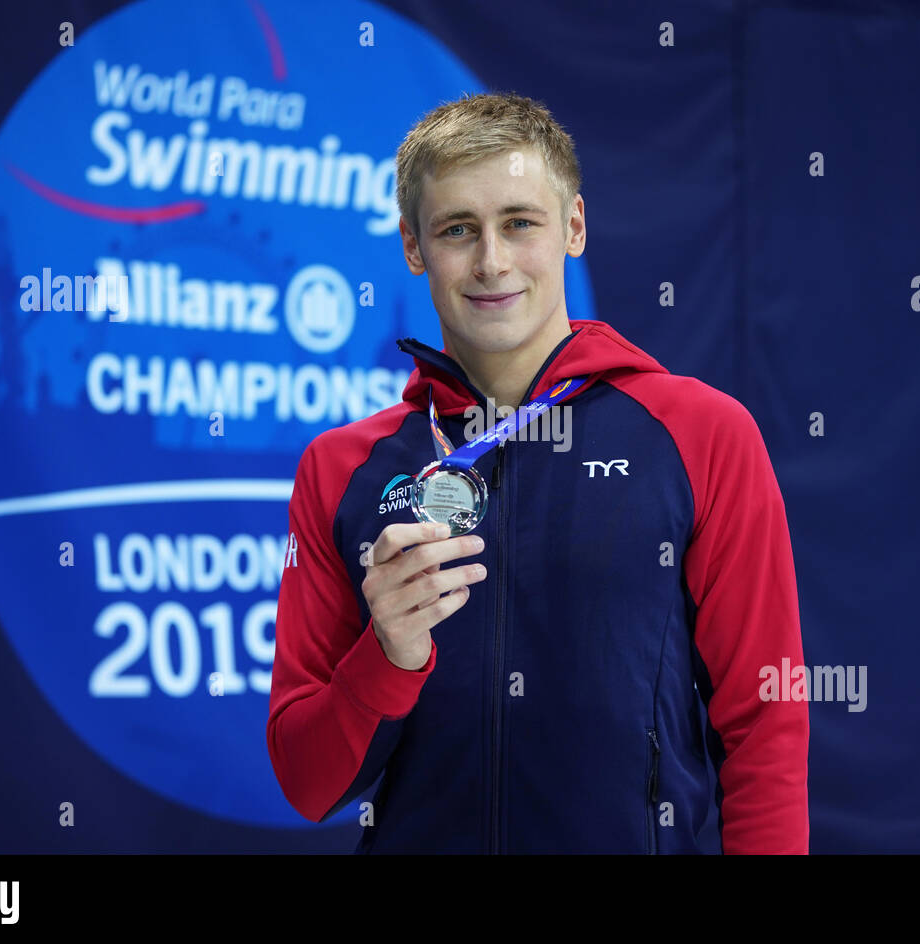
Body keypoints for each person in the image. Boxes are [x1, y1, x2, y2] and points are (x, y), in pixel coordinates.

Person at [267, 91, 808, 853]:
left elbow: (765, 722)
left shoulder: (700, 433)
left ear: (574, 227)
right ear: (414, 247)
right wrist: (386, 655)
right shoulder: (343, 468)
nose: (491, 261)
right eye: (457, 230)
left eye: (520, 222)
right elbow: (306, 781)